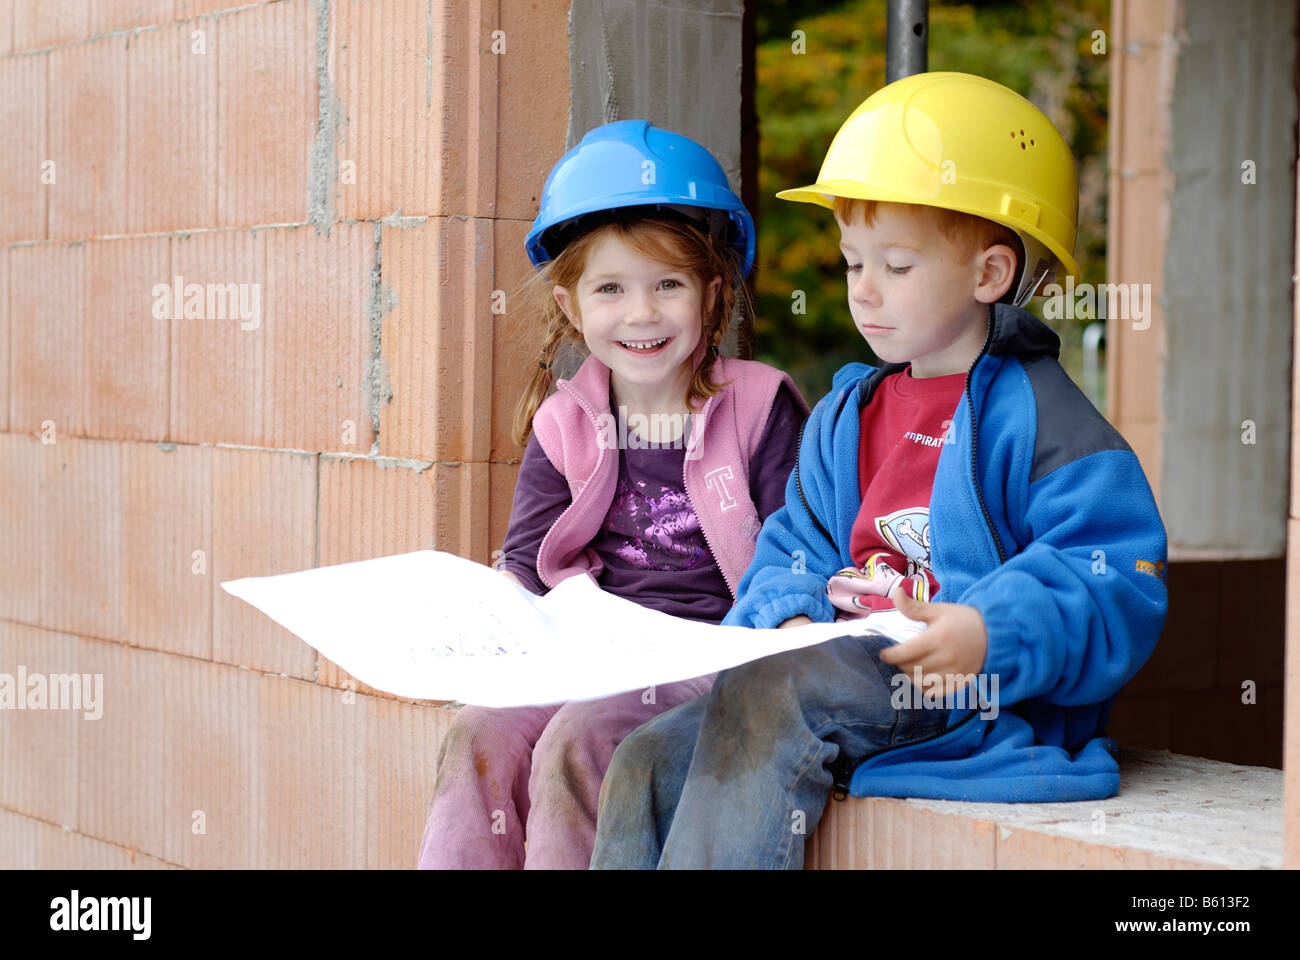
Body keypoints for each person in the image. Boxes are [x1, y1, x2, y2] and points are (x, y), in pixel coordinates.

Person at [590, 72, 1170, 870]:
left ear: (989, 275)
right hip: (834, 675)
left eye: (895, 266)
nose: (863, 291)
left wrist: (989, 631)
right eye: (852, 261)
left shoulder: (1044, 419)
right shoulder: (846, 414)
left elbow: (1117, 577)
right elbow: (795, 541)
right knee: (645, 757)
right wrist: (787, 616)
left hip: (965, 699)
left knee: (773, 691)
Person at [416, 120, 808, 869]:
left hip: (716, 656)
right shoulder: (565, 422)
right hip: (593, 654)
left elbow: (796, 553)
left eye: (668, 284)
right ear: (571, 306)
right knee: (479, 729)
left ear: (711, 293)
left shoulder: (762, 406)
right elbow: (527, 568)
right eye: (611, 289)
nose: (641, 313)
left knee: (577, 741)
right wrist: (480, 629)